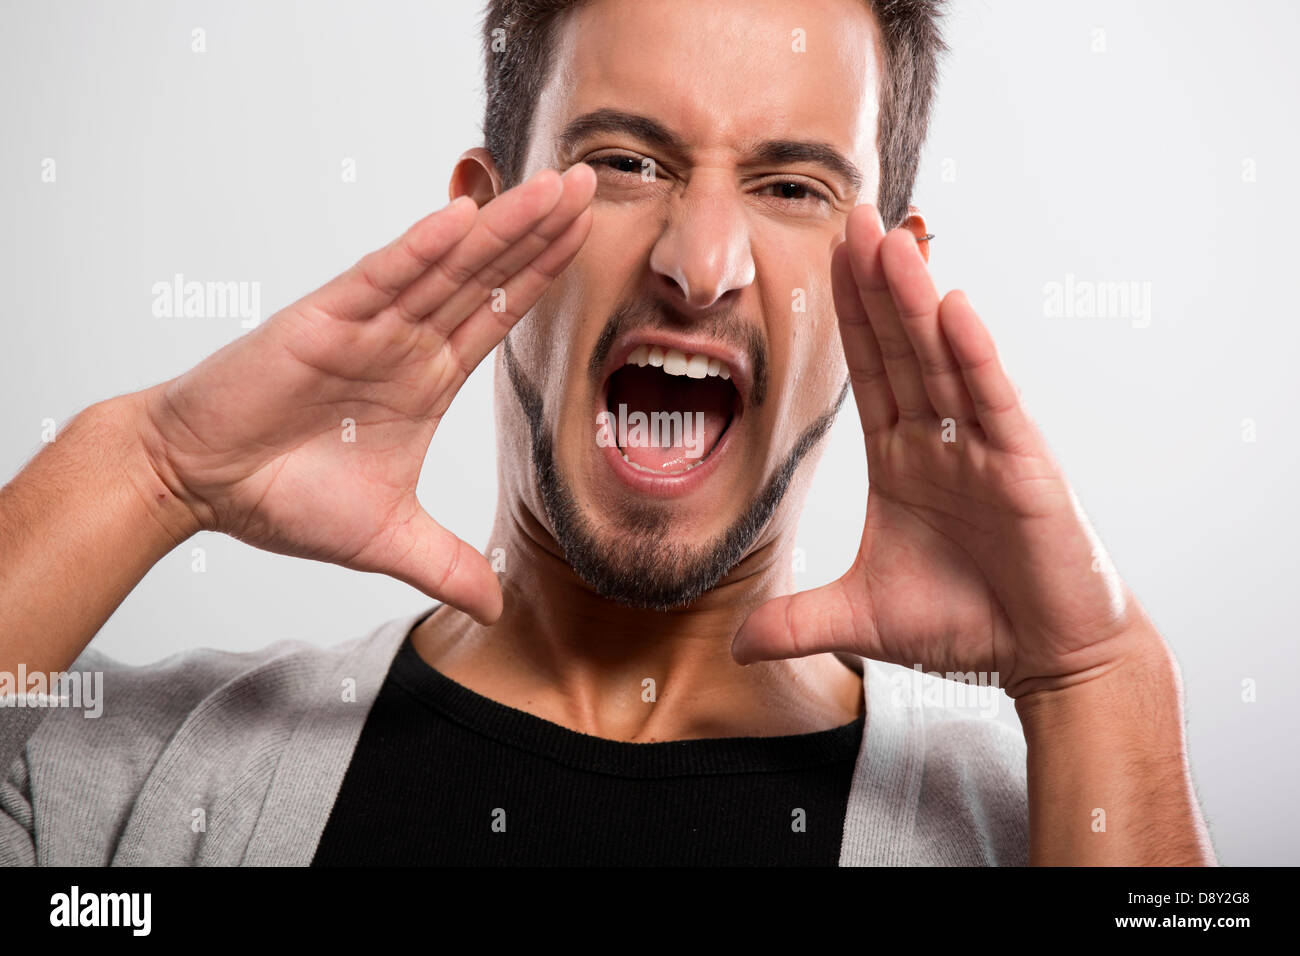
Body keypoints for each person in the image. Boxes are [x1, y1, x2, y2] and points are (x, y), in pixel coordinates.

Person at [0, 0, 1215, 866]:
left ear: (884, 284)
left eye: (794, 187)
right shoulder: (139, 789)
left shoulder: (1034, 838)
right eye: (627, 161)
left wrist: (1098, 680)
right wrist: (145, 465)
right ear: (482, 226)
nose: (699, 266)